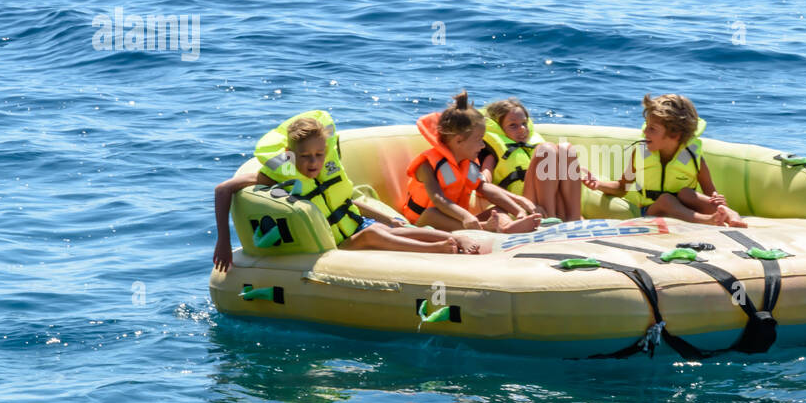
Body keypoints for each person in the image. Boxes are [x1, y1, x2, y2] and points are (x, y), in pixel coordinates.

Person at [213, 110, 481, 271]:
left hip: (355, 225)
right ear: (290, 155)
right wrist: (223, 241)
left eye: (319, 155)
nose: (313, 162)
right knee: (374, 233)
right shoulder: (275, 173)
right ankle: (441, 248)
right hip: (338, 242)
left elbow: (344, 200)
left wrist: (388, 217)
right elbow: (223, 190)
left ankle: (454, 239)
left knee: (391, 226)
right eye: (305, 156)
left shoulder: (326, 167)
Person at [582, 94, 747, 227]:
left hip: (686, 207)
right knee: (666, 199)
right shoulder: (640, 153)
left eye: (652, 129)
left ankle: (729, 213)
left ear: (675, 135)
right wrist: (598, 184)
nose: (645, 132)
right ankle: (706, 220)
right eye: (646, 125)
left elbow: (710, 192)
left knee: (686, 193)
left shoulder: (693, 157)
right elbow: (621, 187)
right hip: (653, 210)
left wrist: (718, 199)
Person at [402, 92, 542, 234]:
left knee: (499, 209)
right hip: (423, 222)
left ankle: (506, 227)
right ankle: (485, 228)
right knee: (432, 213)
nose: (482, 145)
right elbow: (438, 200)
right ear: (459, 140)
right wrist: (466, 216)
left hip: (461, 220)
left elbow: (484, 187)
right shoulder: (427, 165)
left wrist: (518, 207)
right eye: (479, 139)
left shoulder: (468, 164)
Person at [480, 97, 585, 222]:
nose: (522, 129)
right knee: (546, 149)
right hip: (526, 205)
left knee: (566, 148)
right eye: (513, 125)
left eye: (524, 123)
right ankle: (548, 218)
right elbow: (484, 183)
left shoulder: (533, 144)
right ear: (500, 129)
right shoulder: (492, 154)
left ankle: (574, 217)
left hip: (555, 200)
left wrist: (582, 172)